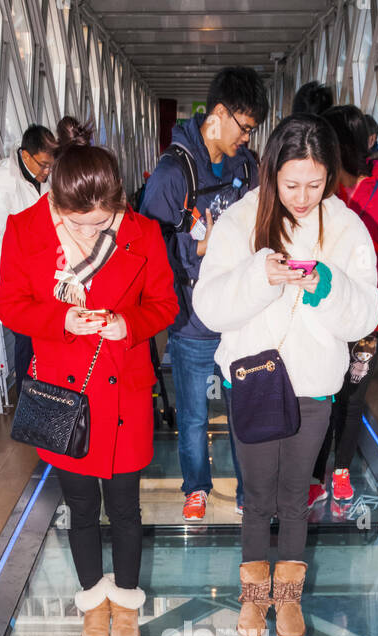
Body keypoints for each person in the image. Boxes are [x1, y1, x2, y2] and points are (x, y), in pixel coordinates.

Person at [194, 115, 378, 636]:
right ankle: (254, 601)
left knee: (297, 497)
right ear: (271, 172)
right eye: (291, 183)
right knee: (256, 497)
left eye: (315, 185)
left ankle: (288, 601)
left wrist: (326, 285)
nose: (302, 197)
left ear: (331, 177)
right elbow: (208, 307)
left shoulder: (345, 227)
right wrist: (260, 277)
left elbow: (365, 312)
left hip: (315, 384)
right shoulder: (238, 220)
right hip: (254, 379)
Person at [0, 119, 178, 636]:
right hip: (65, 395)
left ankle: (125, 604)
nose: (93, 232)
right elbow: (9, 305)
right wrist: (60, 320)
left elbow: (165, 304)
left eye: (103, 222)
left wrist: (129, 325)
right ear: (56, 200)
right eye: (80, 223)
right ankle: (91, 603)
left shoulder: (140, 232)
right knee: (78, 506)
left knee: (125, 507)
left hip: (123, 388)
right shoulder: (24, 230)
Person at [142, 67, 269, 519]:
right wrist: (196, 249)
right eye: (245, 127)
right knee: (194, 415)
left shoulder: (248, 168)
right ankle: (195, 486)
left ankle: (246, 493)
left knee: (245, 412)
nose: (247, 139)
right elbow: (145, 249)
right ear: (220, 114)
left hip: (240, 317)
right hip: (192, 319)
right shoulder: (172, 173)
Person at [309, 106, 378, 506]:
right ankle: (316, 475)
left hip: (371, 318)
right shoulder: (323, 189)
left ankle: (340, 470)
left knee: (351, 398)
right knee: (323, 392)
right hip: (326, 313)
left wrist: (354, 281)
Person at [0, 124, 57, 389]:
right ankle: (28, 409)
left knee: (42, 348)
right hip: (22, 285)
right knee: (26, 347)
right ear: (26, 156)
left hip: (46, 280)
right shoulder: (4, 184)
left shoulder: (39, 177)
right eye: (43, 165)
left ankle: (43, 404)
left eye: (51, 166)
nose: (47, 172)